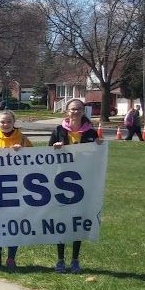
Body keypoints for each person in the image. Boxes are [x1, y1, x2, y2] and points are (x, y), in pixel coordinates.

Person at [49, 99, 103, 273]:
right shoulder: (58, 131)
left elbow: (96, 157)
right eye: (73, 109)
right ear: (67, 111)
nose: (76, 112)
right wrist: (55, 148)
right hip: (61, 182)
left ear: (83, 111)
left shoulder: (91, 133)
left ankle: (75, 260)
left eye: (79, 109)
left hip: (82, 182)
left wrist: (99, 148)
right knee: (62, 221)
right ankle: (60, 260)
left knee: (77, 221)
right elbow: (46, 155)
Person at [0, 111, 33, 269]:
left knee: (14, 221)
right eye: (2, 122)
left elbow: (35, 158)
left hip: (17, 185)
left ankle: (11, 257)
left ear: (13, 122)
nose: (5, 124)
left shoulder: (22, 138)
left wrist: (23, 151)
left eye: (8, 121)